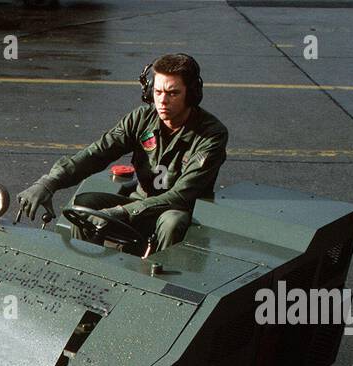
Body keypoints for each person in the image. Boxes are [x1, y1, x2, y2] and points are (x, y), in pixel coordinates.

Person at [17, 53, 228, 256]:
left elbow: (181, 196)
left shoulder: (211, 135)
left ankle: (157, 285)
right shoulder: (141, 118)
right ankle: (84, 271)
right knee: (84, 206)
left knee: (172, 221)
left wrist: (122, 212)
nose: (162, 101)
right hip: (137, 204)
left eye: (173, 93)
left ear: (191, 94)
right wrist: (49, 182)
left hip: (176, 213)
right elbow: (97, 153)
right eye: (157, 92)